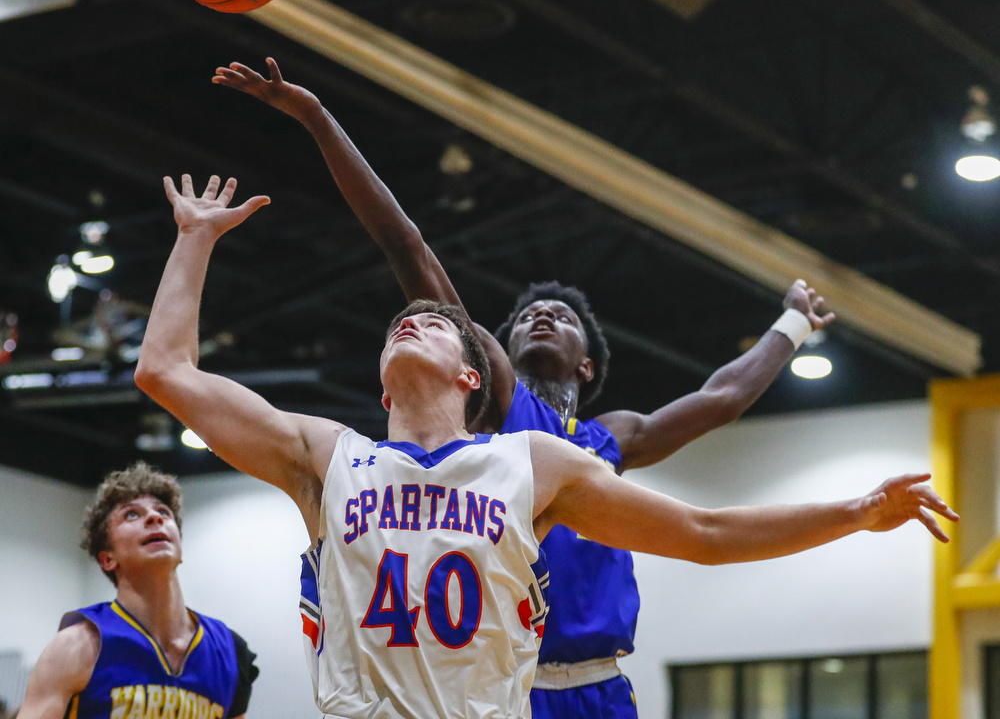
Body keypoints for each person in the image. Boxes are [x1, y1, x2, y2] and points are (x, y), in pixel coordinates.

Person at [134, 174, 955, 719]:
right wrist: (196, 238)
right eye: (398, 325)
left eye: (433, 324)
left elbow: (705, 535)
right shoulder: (328, 455)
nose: (411, 320)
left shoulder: (534, 462)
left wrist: (856, 512)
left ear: (470, 378)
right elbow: (165, 371)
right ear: (384, 386)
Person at [212, 58, 837, 717]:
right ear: (484, 363)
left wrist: (794, 322)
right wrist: (317, 119)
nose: (542, 315)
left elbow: (722, 399)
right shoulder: (504, 417)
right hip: (507, 685)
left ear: (586, 365)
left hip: (602, 686)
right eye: (525, 317)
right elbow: (407, 247)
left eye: (562, 317)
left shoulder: (610, 439)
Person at [17, 463, 258, 719]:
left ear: (179, 546)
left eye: (164, 512)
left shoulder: (230, 651)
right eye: (131, 514)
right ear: (108, 558)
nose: (155, 518)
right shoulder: (78, 645)